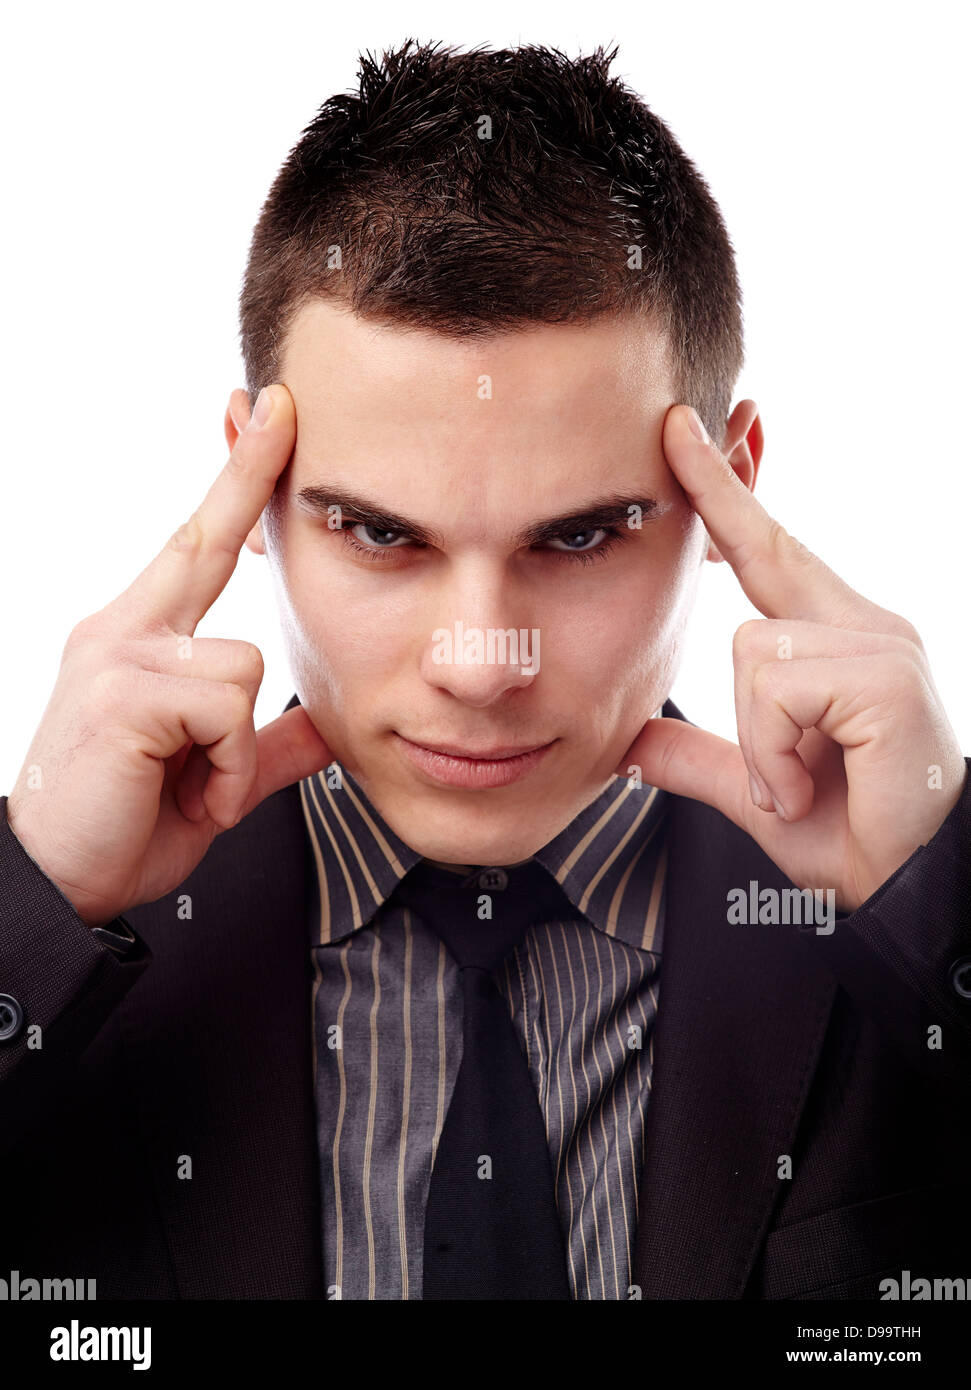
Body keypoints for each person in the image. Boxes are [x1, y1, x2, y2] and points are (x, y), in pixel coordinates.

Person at [1, 38, 968, 1302]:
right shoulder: (74, 947)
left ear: (731, 485)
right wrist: (29, 912)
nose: (477, 663)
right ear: (250, 483)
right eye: (379, 532)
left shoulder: (897, 923)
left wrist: (939, 901)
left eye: (575, 536)